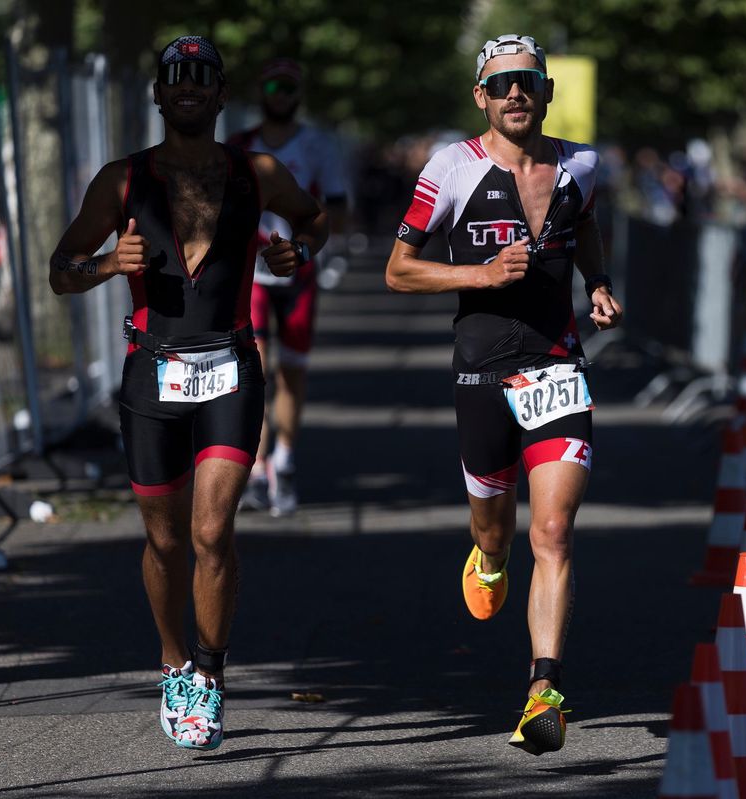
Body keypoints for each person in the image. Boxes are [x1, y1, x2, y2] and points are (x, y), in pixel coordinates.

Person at [48, 36, 328, 751]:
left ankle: (208, 672)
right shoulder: (122, 179)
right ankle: (172, 660)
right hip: (152, 372)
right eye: (177, 79)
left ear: (221, 93)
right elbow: (61, 268)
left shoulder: (256, 170)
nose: (190, 88)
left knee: (211, 532)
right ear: (160, 94)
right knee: (165, 538)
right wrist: (110, 262)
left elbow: (313, 218)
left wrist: (300, 251)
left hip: (231, 366)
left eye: (203, 79)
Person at [384, 33, 623, 756]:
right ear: (481, 97)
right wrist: (480, 276)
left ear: (547, 93)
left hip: (556, 368)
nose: (516, 92)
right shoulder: (451, 168)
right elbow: (400, 269)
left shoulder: (582, 163)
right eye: (502, 83)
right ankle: (487, 555)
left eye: (528, 81)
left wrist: (598, 283)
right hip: (481, 376)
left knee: (552, 531)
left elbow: (583, 227)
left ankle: (542, 690)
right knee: (497, 530)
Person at [229, 58, 349, 517]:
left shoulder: (318, 144)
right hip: (252, 274)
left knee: (292, 372)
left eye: (289, 87)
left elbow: (336, 206)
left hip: (298, 272)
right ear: (261, 91)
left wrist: (317, 248)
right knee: (254, 369)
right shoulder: (241, 145)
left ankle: (285, 457)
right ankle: (257, 468)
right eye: (273, 85)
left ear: (298, 95)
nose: (280, 94)